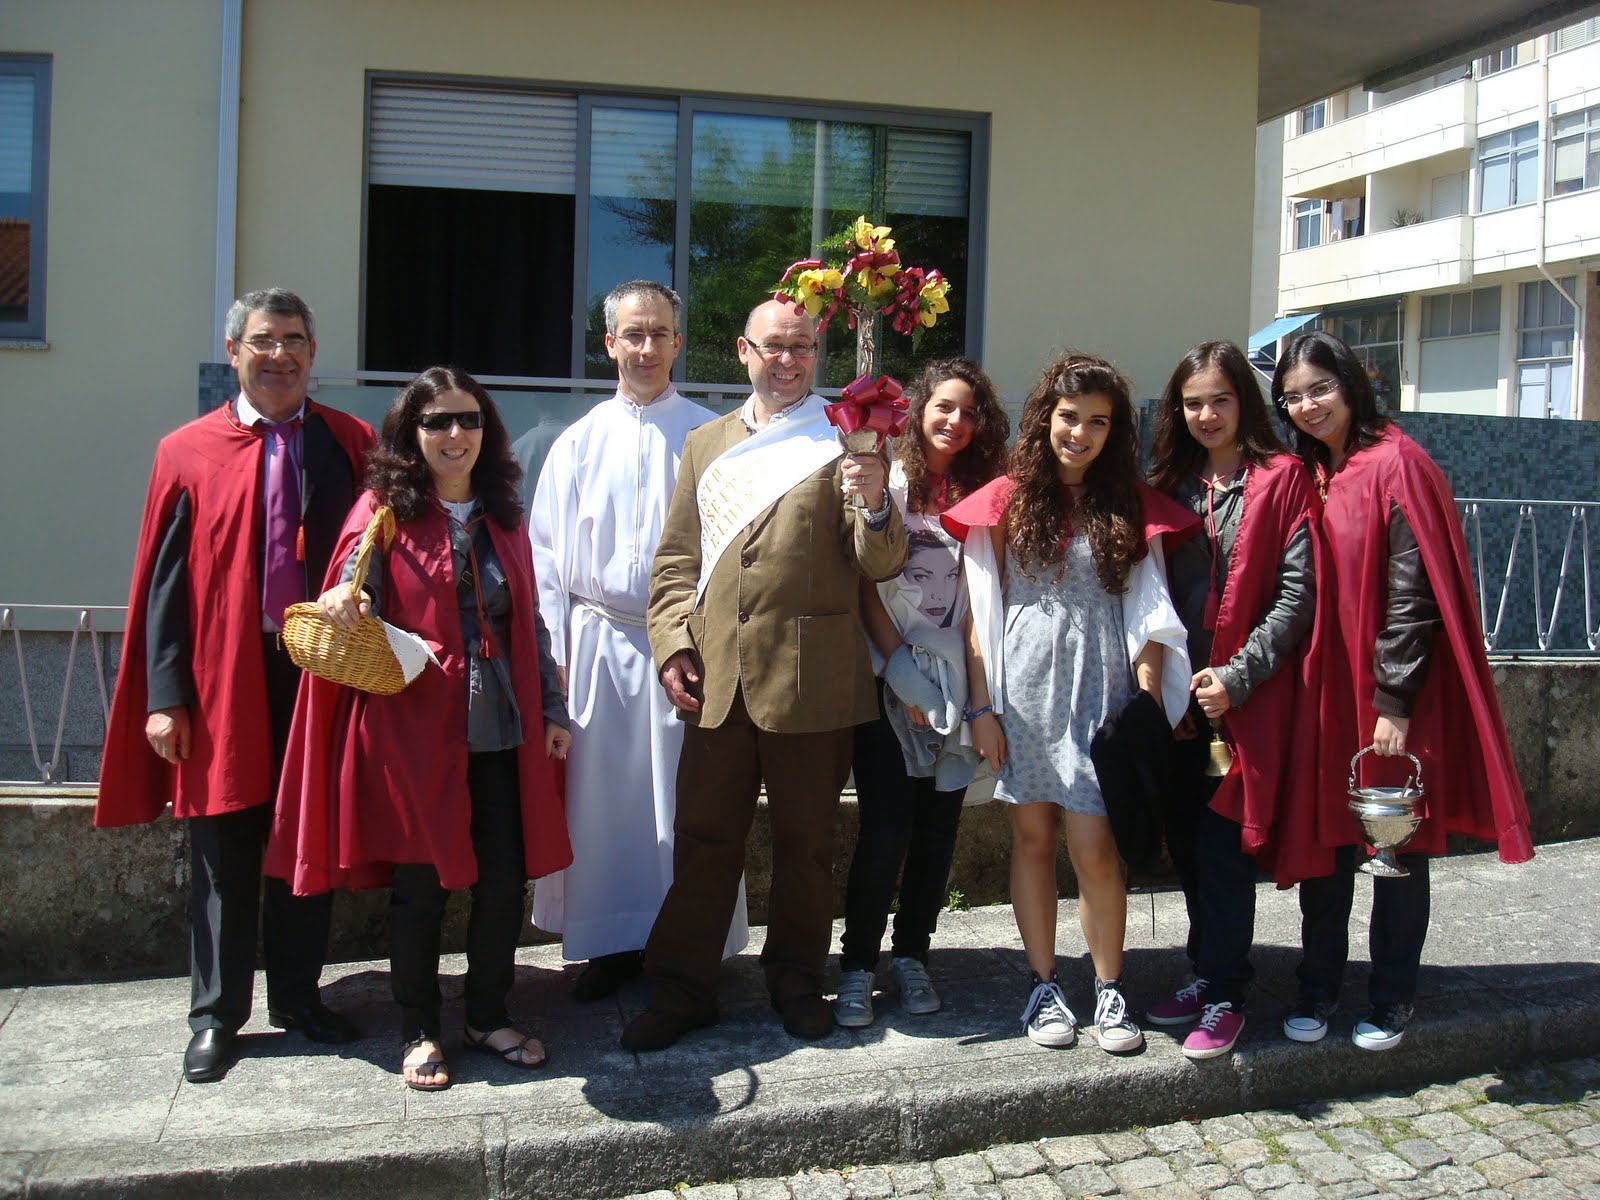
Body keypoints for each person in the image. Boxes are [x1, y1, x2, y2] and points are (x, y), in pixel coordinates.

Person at [267, 366, 573, 1091]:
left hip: (502, 722)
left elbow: (528, 620)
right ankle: (418, 1026)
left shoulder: (503, 513)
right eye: (437, 422)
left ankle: (486, 1012)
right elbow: (351, 582)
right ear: (411, 434)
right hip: (414, 727)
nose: (455, 434)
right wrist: (346, 594)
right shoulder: (383, 510)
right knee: (422, 885)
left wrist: (554, 709)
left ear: (486, 431)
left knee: (502, 881)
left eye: (468, 420)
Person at [97, 288, 373, 1083]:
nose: (279, 354)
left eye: (293, 340)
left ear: (313, 354)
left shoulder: (350, 443)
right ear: (234, 351)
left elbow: (378, 555)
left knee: (304, 836)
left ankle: (298, 999)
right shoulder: (186, 450)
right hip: (224, 675)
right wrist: (162, 695)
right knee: (222, 845)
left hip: (318, 673)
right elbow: (162, 584)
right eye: (262, 340)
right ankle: (217, 1018)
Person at [622, 297, 906, 1051]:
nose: (788, 360)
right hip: (718, 677)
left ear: (818, 354)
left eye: (803, 347)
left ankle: (796, 980)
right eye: (773, 347)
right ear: (742, 352)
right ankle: (683, 988)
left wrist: (876, 498)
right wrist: (673, 642)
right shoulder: (706, 442)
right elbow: (678, 561)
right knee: (703, 840)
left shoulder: (845, 436)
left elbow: (880, 561)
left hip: (812, 679)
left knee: (806, 844)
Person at [1272, 330, 1533, 1052]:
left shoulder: (1397, 464)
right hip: (1322, 692)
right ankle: (1317, 988)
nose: (1307, 405)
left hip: (1384, 692)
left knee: (1395, 845)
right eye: (1292, 395)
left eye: (1319, 387)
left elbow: (1413, 594)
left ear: (1351, 383)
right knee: (1326, 844)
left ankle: (1391, 996)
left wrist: (1395, 701)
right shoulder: (1311, 471)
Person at [942, 353, 1196, 1055]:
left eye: (1097, 422)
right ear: (1044, 418)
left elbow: (1151, 614)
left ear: (1114, 431)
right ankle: (1043, 985)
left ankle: (1110, 990)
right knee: (1031, 840)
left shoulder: (1128, 505)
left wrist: (1144, 707)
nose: (1079, 433)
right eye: (1068, 417)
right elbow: (978, 611)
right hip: (1021, 696)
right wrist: (981, 708)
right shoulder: (1007, 499)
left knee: (1096, 850)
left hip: (1099, 696)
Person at [529, 280, 748, 1001]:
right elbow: (547, 559)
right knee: (603, 805)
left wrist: (704, 642)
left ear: (679, 342)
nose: (647, 347)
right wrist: (554, 666)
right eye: (634, 334)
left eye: (660, 333)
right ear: (609, 346)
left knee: (685, 803)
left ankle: (682, 944)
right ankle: (608, 943)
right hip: (594, 646)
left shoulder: (712, 438)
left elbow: (730, 552)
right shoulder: (576, 443)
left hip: (682, 648)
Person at [1144, 341, 1321, 1060]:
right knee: (1184, 838)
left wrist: (1234, 678)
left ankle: (1226, 991)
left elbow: (1296, 595)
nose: (1207, 414)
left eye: (1220, 399)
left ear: (1244, 402)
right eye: (1193, 403)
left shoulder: (1282, 481)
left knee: (1222, 846)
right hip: (1178, 699)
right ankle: (1203, 965)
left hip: (1246, 698)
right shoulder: (1171, 484)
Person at [834, 357, 1009, 1029]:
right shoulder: (890, 478)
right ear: (918, 409)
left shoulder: (984, 493)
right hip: (887, 677)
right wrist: (901, 670)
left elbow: (981, 597)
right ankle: (856, 966)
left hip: (955, 679)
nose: (956, 422)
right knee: (885, 828)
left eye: (969, 412)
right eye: (944, 407)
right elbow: (865, 582)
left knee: (938, 831)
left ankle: (913, 956)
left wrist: (955, 686)